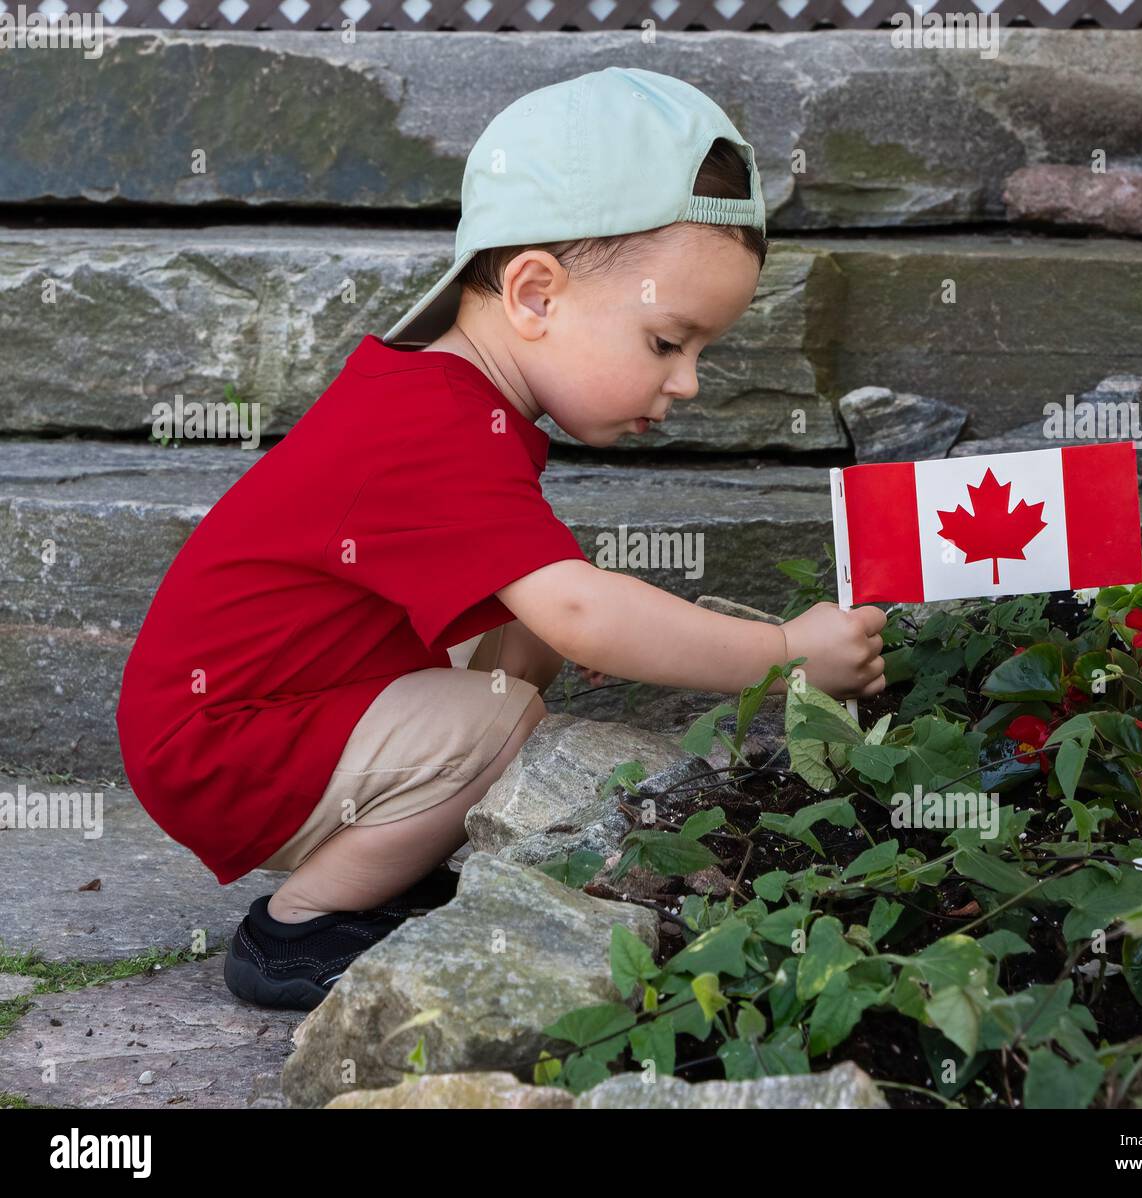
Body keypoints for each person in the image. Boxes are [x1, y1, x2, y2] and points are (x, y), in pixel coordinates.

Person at [115, 66, 887, 1012]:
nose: (687, 382)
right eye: (666, 342)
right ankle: (298, 930)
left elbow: (549, 618)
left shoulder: (448, 398)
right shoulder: (434, 426)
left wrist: (568, 630)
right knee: (500, 709)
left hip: (262, 712)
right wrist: (783, 655)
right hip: (223, 742)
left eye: (701, 353)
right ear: (533, 294)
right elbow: (579, 613)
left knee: (515, 647)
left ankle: (390, 846)